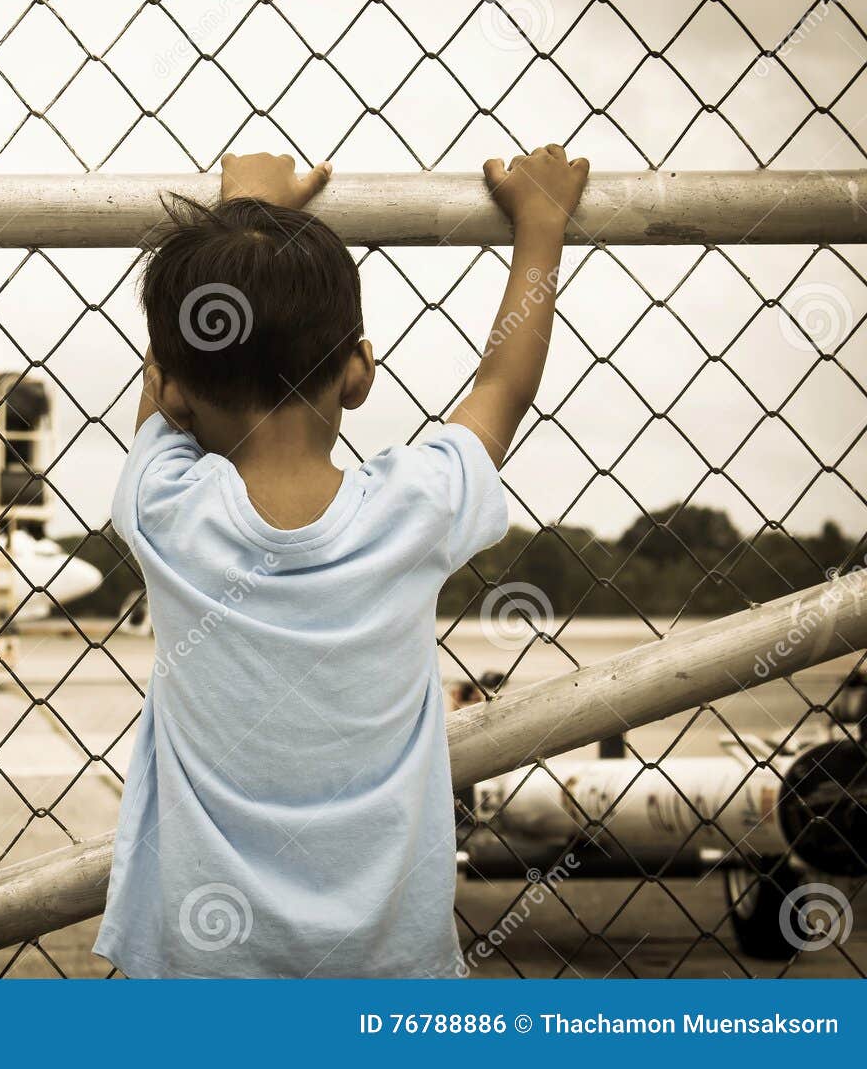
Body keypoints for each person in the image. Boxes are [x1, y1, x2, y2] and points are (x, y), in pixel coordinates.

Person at [93, 145, 590, 977]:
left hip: (204, 964)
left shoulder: (164, 509)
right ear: (358, 372)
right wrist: (540, 229)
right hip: (386, 964)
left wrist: (245, 211)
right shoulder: (413, 506)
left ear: (175, 388)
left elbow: (167, 395)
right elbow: (504, 386)